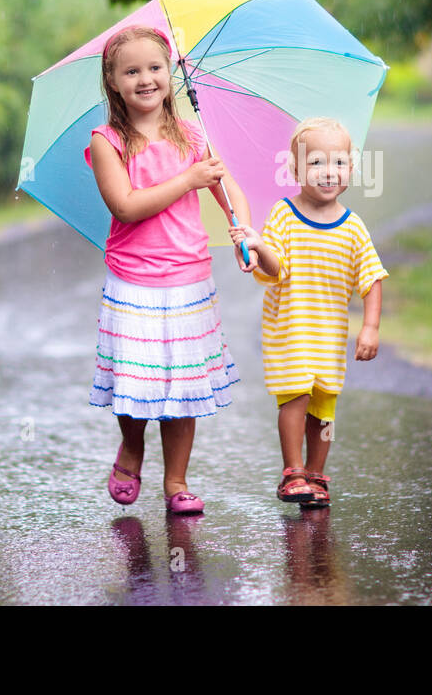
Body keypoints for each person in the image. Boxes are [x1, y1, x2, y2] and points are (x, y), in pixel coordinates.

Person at [86, 25, 257, 515]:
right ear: (113, 81)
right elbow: (126, 206)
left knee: (182, 388)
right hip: (134, 280)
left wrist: (241, 228)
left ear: (172, 74)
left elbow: (227, 189)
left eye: (155, 68)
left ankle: (176, 481)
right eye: (132, 71)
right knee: (137, 382)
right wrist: (188, 178)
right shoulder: (108, 141)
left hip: (188, 278)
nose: (145, 79)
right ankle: (133, 446)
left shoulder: (193, 135)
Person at [228, 116, 387, 509]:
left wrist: (370, 327)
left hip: (328, 335)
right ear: (295, 170)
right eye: (315, 163)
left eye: (338, 163)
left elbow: (371, 278)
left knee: (324, 406)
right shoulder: (283, 214)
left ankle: (317, 474)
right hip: (290, 330)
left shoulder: (353, 227)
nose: (328, 172)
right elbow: (275, 267)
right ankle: (293, 471)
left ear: (351, 169)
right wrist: (258, 245)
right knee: (295, 397)